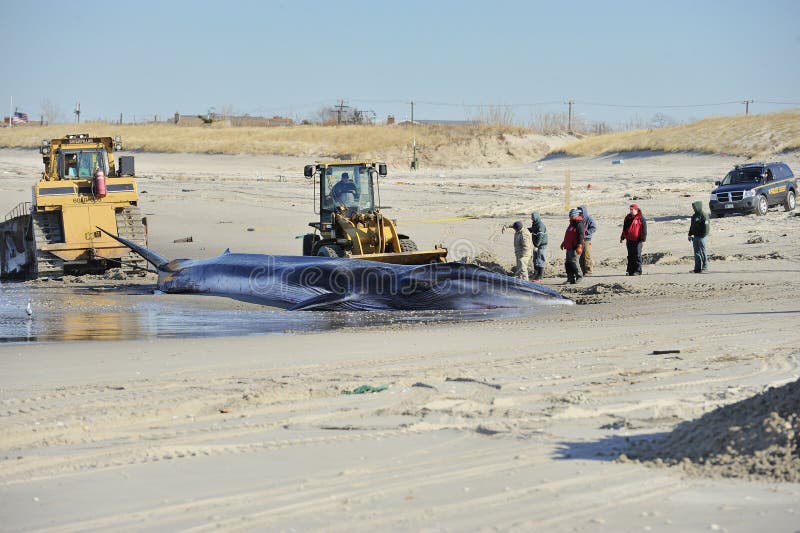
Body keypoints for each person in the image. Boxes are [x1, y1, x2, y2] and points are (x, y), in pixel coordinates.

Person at [620, 204, 647, 276]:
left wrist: (643, 240)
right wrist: (622, 237)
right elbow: (624, 229)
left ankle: (638, 271)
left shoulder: (641, 218)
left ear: (636, 210)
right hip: (629, 240)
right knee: (630, 255)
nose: (631, 211)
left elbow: (644, 230)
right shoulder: (627, 218)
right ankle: (630, 271)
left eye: (632, 210)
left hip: (638, 240)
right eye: (630, 209)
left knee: (637, 255)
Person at [560, 208, 585, 284]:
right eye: (570, 216)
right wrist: (563, 243)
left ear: (575, 215)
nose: (570, 217)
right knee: (568, 263)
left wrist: (579, 246)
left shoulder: (579, 224)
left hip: (575, 247)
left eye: (571, 216)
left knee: (574, 262)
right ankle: (570, 278)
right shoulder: (571, 224)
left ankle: (579, 276)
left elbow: (581, 236)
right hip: (569, 247)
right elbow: (568, 235)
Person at [688, 200, 710, 273]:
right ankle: (697, 268)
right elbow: (692, 226)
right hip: (695, 237)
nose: (694, 208)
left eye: (695, 207)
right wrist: (689, 234)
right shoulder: (694, 216)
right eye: (693, 207)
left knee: (702, 252)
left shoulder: (703, 215)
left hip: (702, 237)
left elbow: (706, 227)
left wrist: (703, 235)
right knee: (696, 253)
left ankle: (705, 268)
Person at [578, 205, 597, 276]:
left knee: (587, 255)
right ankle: (583, 271)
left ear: (584, 212)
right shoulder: (578, 219)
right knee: (580, 256)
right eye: (578, 212)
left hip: (587, 239)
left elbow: (594, 228)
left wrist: (586, 232)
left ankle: (589, 271)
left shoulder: (589, 218)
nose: (579, 213)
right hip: (580, 239)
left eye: (580, 212)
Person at [529, 211, 548, 281]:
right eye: (531, 217)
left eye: (533, 217)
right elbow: (532, 230)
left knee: (540, 260)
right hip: (536, 245)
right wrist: (525, 229)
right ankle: (535, 274)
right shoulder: (535, 224)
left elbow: (540, 237)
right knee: (535, 259)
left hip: (541, 246)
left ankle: (540, 276)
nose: (531, 218)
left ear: (536, 217)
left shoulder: (540, 225)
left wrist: (536, 246)